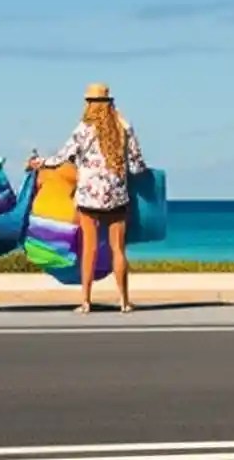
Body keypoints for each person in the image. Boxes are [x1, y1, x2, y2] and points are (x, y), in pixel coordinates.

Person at [29, 83, 147, 313]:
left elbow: (61, 157)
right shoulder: (124, 126)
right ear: (110, 102)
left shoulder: (83, 128)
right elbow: (136, 166)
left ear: (89, 104)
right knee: (118, 249)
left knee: (89, 249)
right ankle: (124, 301)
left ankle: (85, 301)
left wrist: (39, 163)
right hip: (117, 197)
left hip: (89, 198)